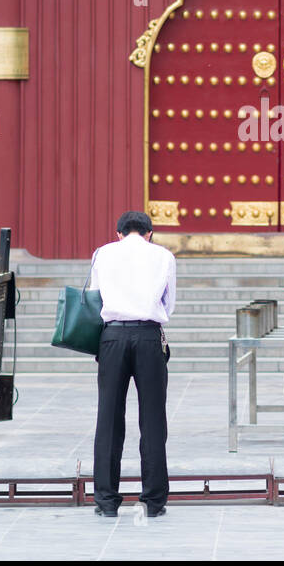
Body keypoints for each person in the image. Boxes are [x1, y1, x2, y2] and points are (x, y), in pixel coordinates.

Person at [89, 210, 176, 518]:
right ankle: (153, 501)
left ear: (119, 233)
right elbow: (169, 302)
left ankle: (106, 500)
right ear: (149, 233)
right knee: (152, 419)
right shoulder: (163, 256)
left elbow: (93, 297)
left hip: (112, 336)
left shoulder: (103, 254)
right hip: (149, 337)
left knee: (109, 418)